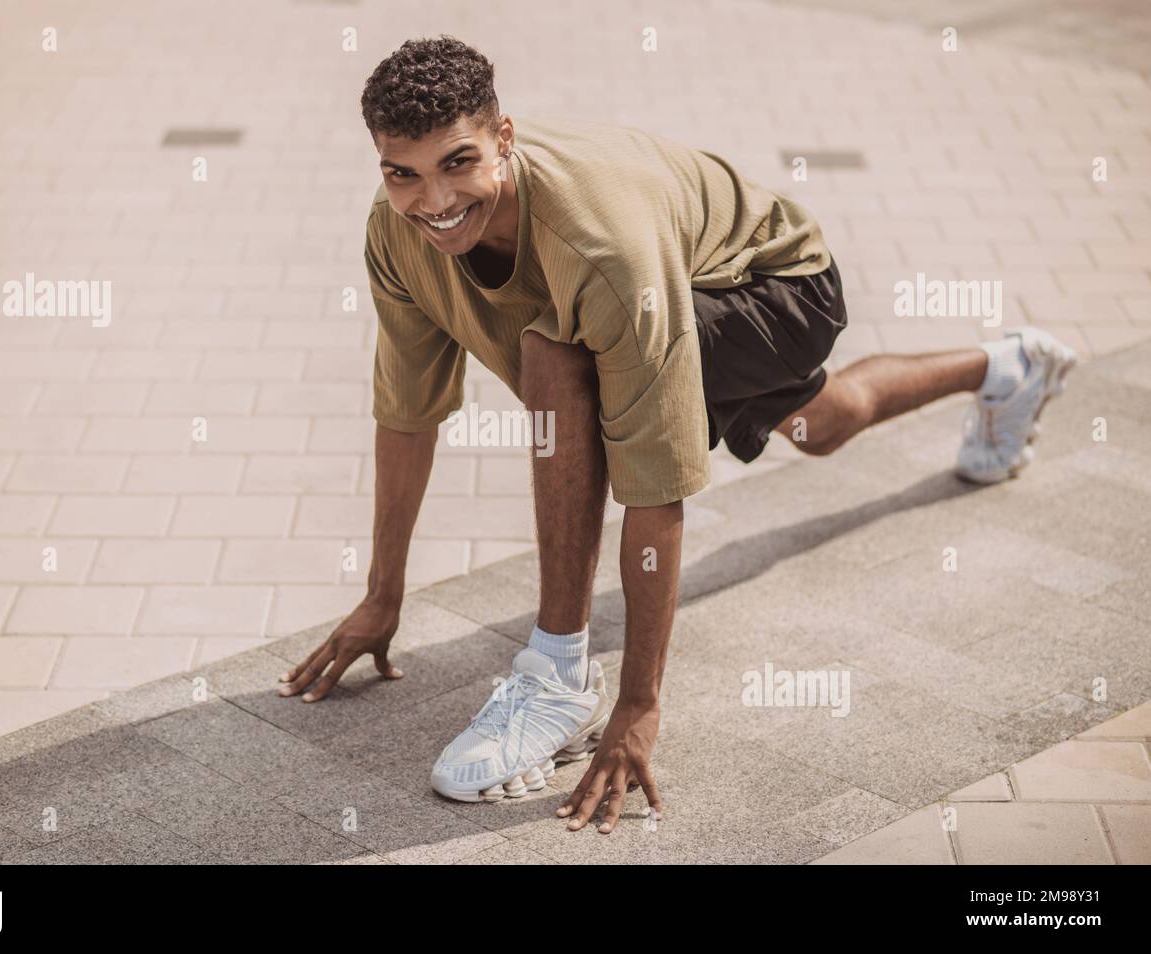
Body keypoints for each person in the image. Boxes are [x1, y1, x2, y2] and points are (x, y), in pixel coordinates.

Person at [278, 35, 1078, 834]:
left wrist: (637, 706)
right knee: (821, 424)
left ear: (505, 139)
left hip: (773, 283)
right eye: (402, 173)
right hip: (675, 275)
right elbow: (407, 414)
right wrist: (383, 597)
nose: (435, 199)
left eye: (459, 163)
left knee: (558, 358)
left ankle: (559, 679)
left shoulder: (599, 251)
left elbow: (653, 488)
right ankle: (1010, 366)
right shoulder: (398, 233)